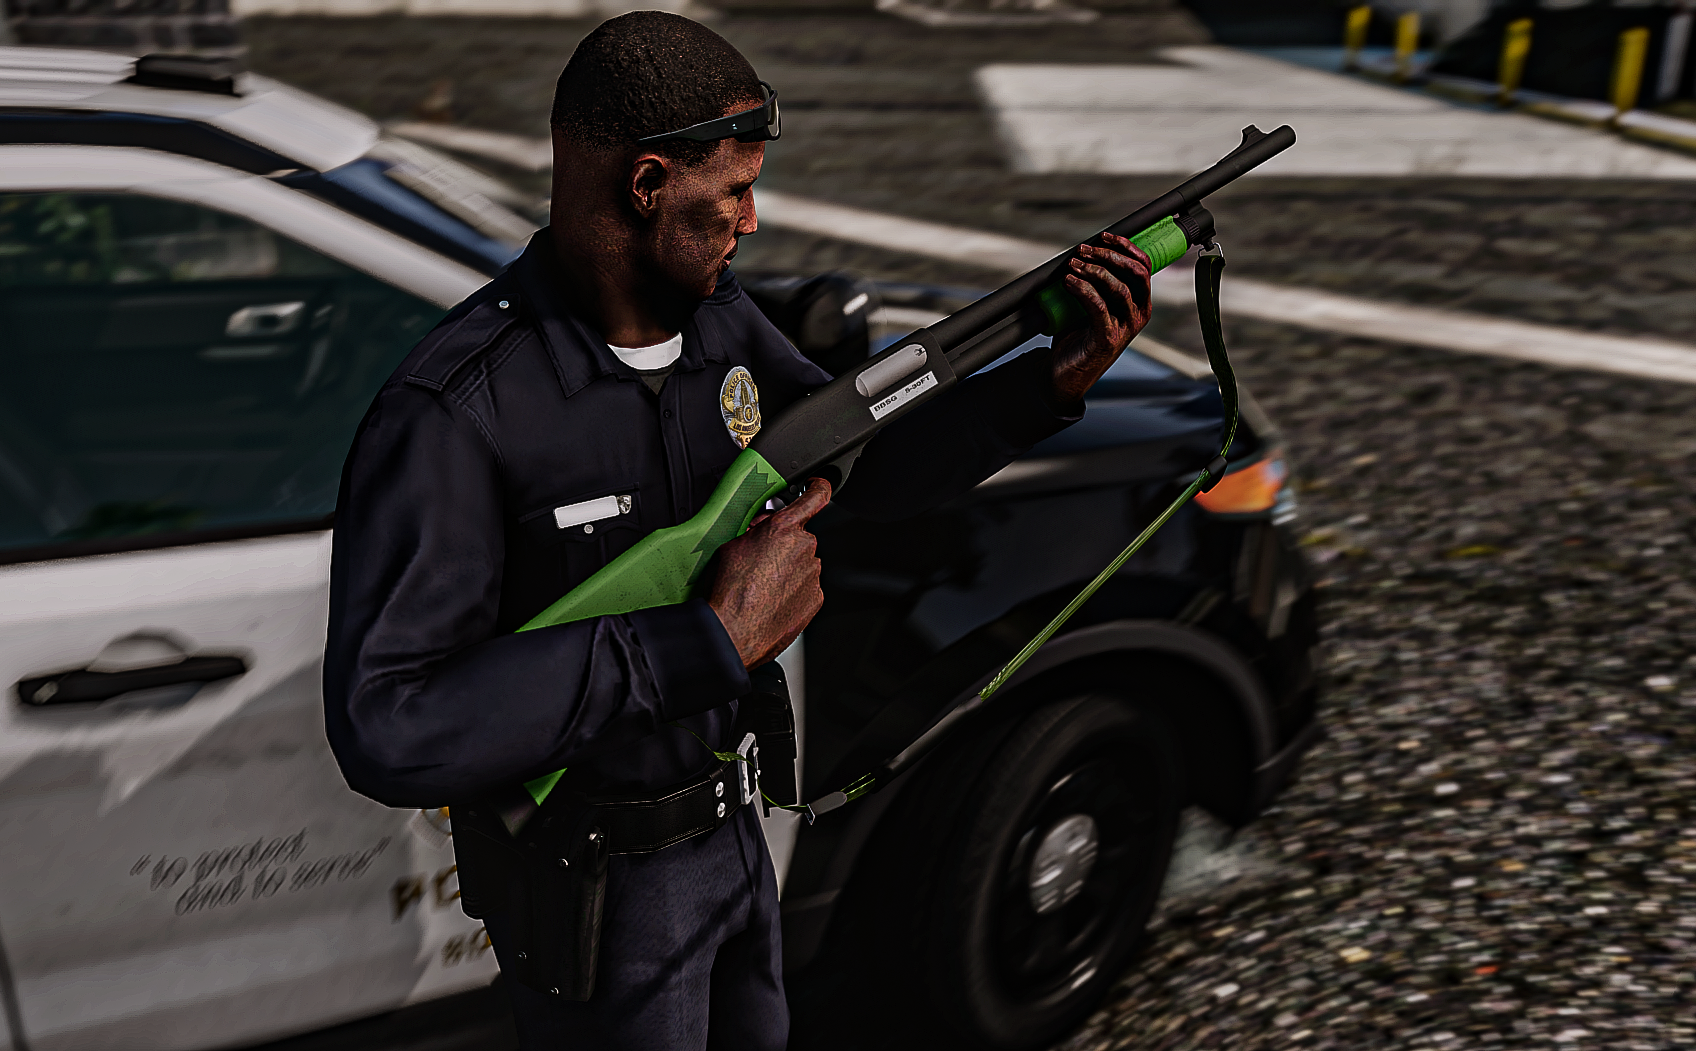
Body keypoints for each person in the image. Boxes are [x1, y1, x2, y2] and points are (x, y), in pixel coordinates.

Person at [322, 11, 1153, 1050]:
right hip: (597, 893)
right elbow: (390, 722)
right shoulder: (454, 412)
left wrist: (1047, 384)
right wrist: (701, 641)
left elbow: (864, 465)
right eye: (732, 191)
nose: (751, 221)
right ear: (645, 184)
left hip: (733, 841)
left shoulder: (718, 322)